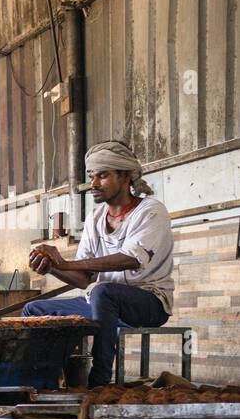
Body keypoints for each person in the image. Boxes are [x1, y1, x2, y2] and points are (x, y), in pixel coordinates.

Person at [23, 140, 174, 387]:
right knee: (34, 310)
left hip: (149, 303)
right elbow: (84, 279)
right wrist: (53, 267)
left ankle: (99, 383)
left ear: (125, 176)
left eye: (102, 176)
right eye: (91, 176)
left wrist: (66, 262)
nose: (93, 184)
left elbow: (130, 259)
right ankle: (41, 382)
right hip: (102, 304)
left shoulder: (151, 211)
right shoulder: (95, 219)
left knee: (104, 292)